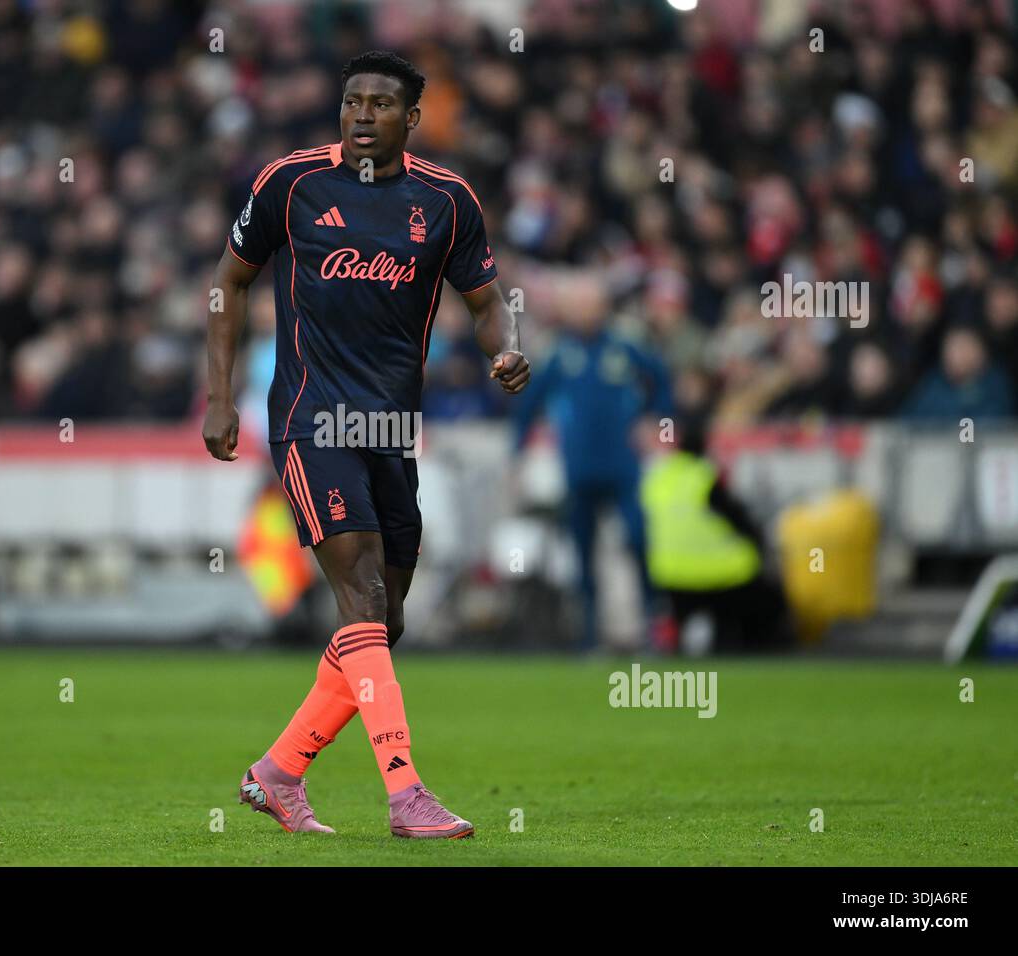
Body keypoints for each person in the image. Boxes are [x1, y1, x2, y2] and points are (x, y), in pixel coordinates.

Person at [201, 51, 528, 838]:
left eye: (381, 104)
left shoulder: (444, 200)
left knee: (385, 626)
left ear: (411, 118)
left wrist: (504, 346)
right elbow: (229, 283)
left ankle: (278, 773)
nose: (361, 115)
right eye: (353, 101)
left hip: (390, 428)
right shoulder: (291, 183)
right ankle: (407, 795)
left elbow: (486, 299)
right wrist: (219, 397)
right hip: (312, 419)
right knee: (366, 603)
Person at [512, 272, 671, 650]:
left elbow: (662, 383)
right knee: (582, 552)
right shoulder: (556, 352)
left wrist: (655, 421)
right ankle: (589, 636)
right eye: (578, 304)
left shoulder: (625, 345)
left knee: (637, 538)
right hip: (578, 469)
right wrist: (516, 457)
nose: (585, 311)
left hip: (623, 466)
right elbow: (525, 405)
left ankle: (653, 625)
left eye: (591, 303)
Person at [640, 418, 790, 653]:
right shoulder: (705, 477)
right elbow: (741, 522)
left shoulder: (658, 477)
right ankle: (747, 646)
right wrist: (762, 543)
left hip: (669, 575)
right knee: (769, 602)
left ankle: (677, 639)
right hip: (720, 575)